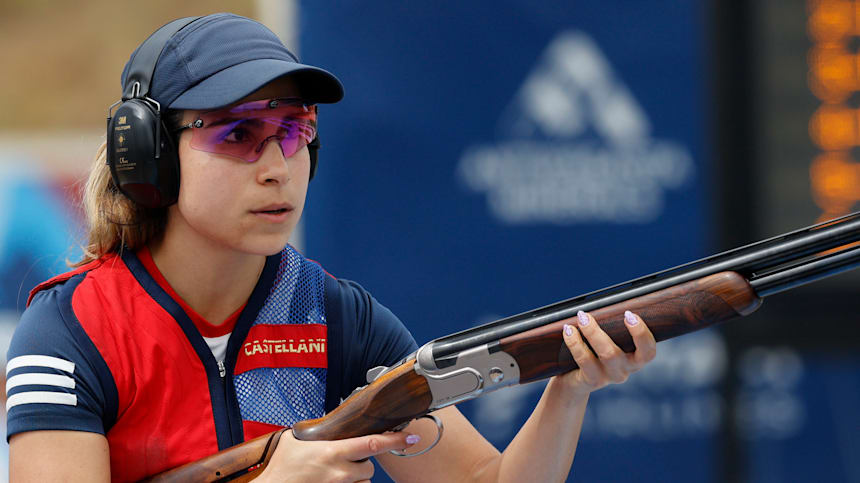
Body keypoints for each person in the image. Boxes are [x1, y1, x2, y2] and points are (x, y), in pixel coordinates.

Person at [5, 13, 657, 482]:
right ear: (150, 154)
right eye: (238, 134)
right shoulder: (69, 331)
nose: (277, 167)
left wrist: (568, 389)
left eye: (295, 131)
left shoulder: (338, 318)